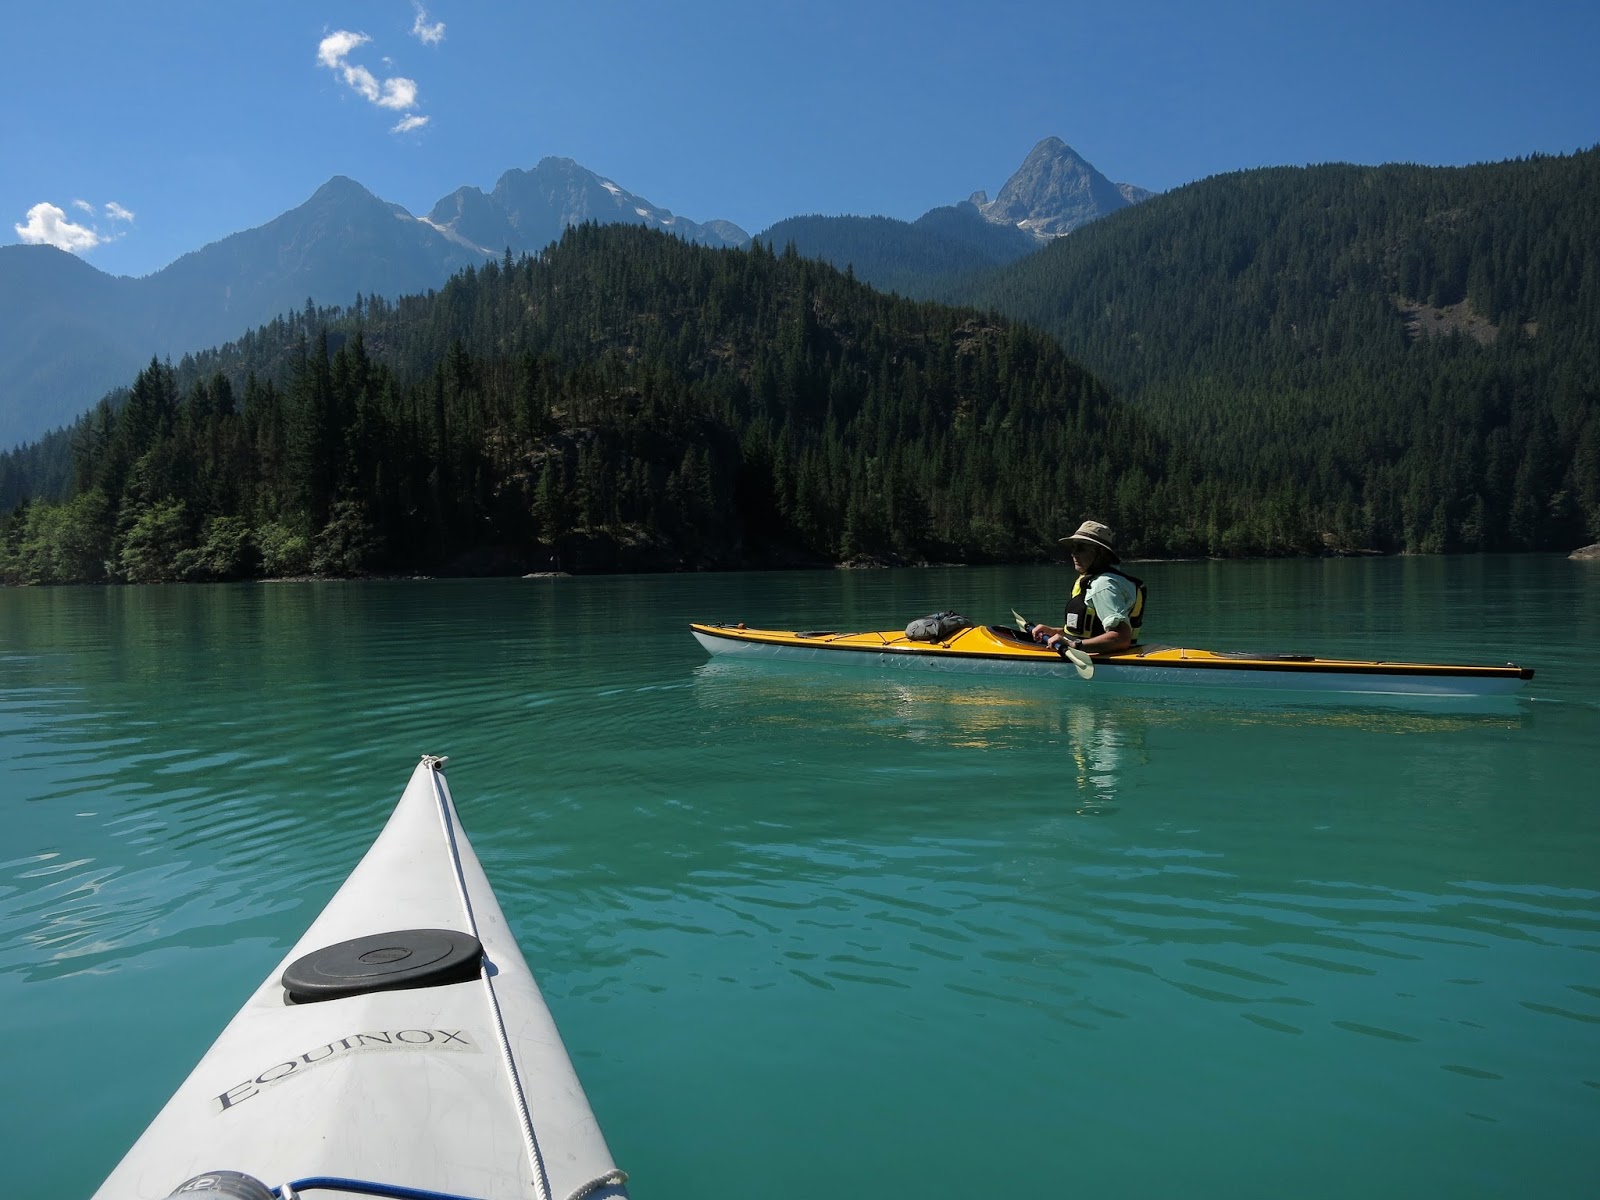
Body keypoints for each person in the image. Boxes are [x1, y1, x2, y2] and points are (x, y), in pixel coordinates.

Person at [1030, 520, 1146, 655]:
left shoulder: (1103, 585)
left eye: (1081, 548)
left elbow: (1121, 638)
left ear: (1102, 553)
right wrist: (1055, 632)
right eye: (1073, 548)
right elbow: (1090, 632)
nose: (1074, 553)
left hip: (1108, 661)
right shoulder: (1101, 580)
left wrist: (1073, 645)